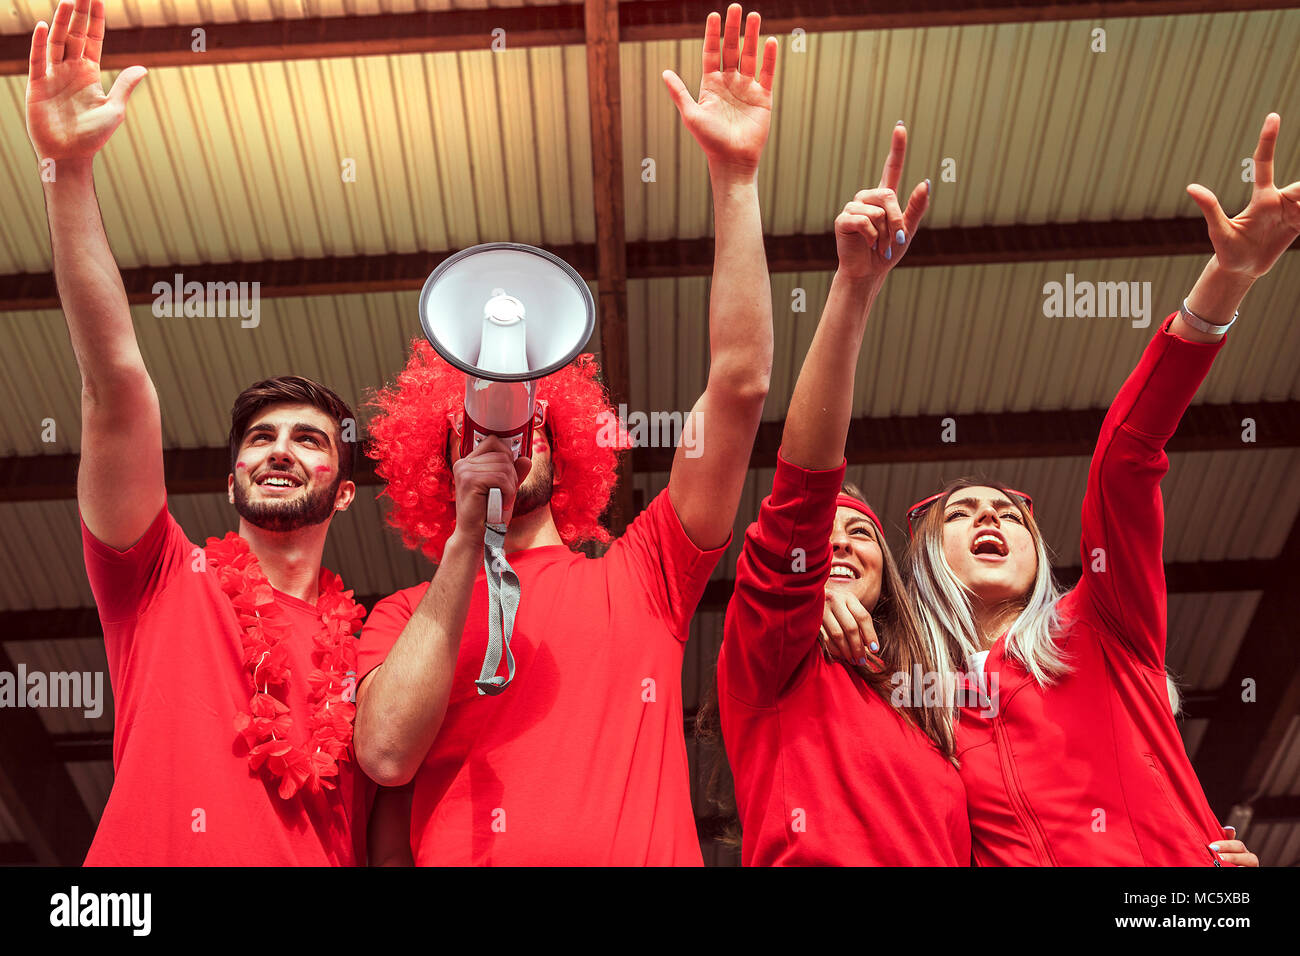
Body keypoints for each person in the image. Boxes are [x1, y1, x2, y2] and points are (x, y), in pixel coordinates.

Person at [352, 4, 777, 865]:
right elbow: (387, 750)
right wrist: (471, 542)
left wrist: (735, 182)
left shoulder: (646, 572)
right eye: (474, 426)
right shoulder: (399, 616)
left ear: (568, 439)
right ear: (436, 464)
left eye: (535, 416)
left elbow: (740, 385)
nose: (513, 429)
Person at [897, 113, 1296, 866]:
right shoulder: (911, 705)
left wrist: (1228, 279)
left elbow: (1127, 454)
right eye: (962, 512)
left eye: (1009, 514)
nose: (991, 517)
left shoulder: (1103, 624)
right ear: (922, 557)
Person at [25, 0, 366, 864]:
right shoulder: (162, 577)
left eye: (310, 439)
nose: (280, 449)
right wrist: (68, 172)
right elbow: (116, 387)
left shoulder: (371, 656)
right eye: (259, 439)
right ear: (230, 481)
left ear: (347, 488)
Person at [704, 123, 971, 865]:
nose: (846, 543)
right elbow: (803, 489)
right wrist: (853, 289)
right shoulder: (773, 659)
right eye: (831, 537)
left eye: (864, 536)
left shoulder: (936, 711)